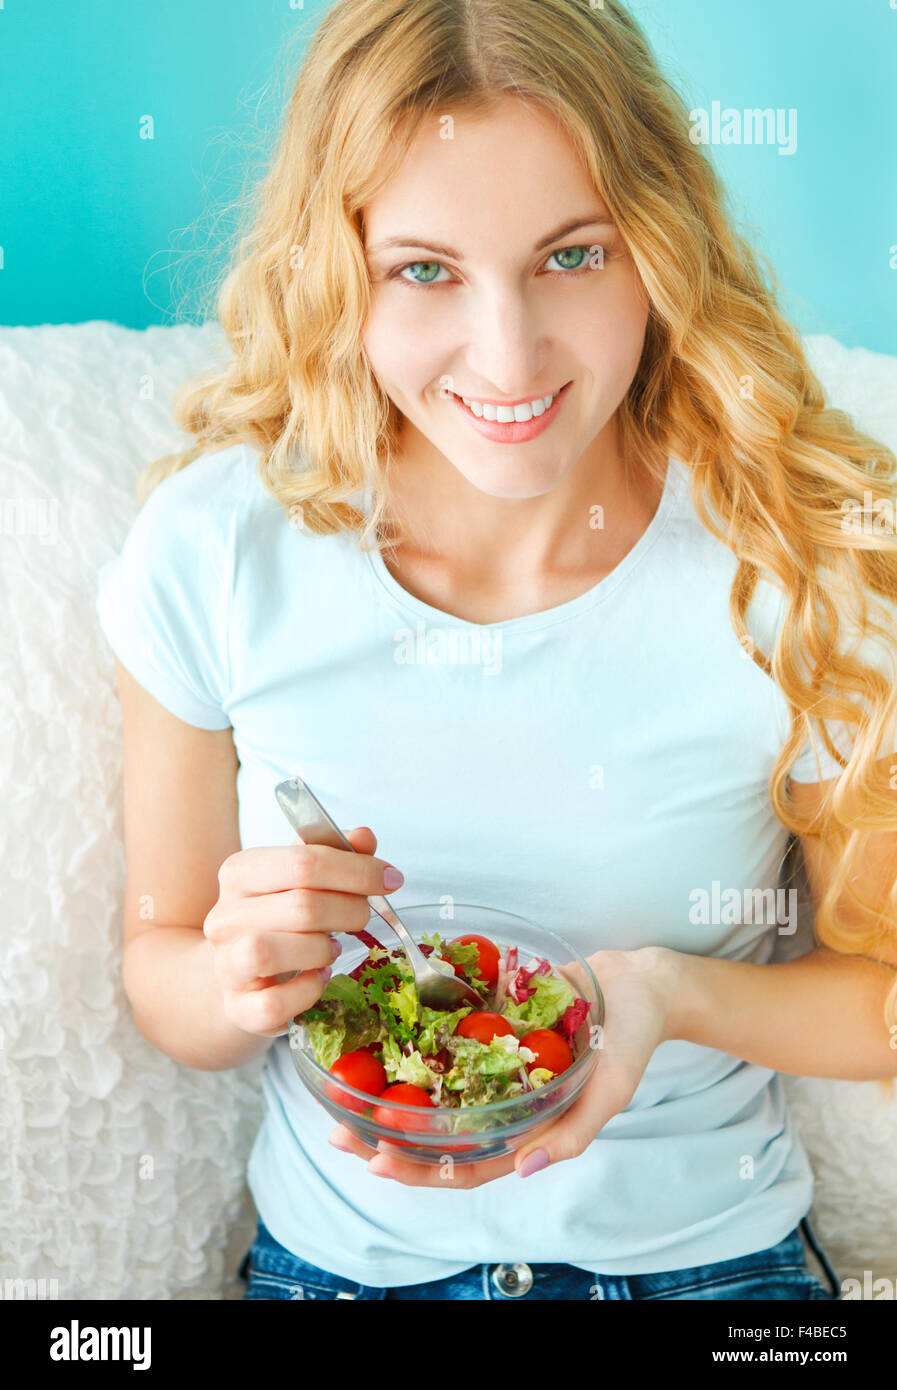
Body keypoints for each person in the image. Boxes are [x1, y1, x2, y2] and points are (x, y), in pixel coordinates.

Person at [95, 0, 897, 1301]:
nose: (507, 353)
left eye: (571, 257)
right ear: (337, 268)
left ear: (659, 245)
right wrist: (235, 973)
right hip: (341, 1274)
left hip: (706, 1275)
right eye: (424, 270)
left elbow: (884, 998)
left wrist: (667, 993)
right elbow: (163, 969)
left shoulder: (787, 555)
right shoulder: (216, 550)